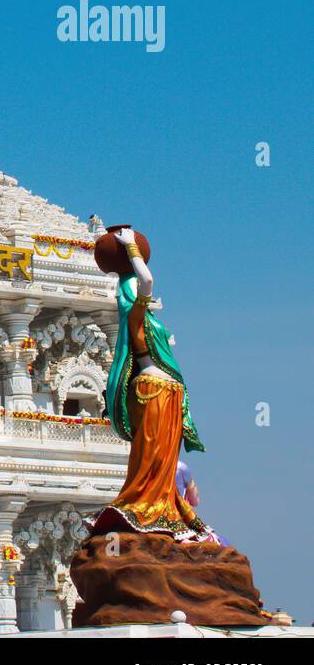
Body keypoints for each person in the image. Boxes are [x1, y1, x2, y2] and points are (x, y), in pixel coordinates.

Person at [90, 227, 217, 542]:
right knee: (152, 458)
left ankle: (167, 513)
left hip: (169, 394)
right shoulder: (135, 319)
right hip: (153, 392)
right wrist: (132, 248)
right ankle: (147, 508)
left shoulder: (148, 322)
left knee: (165, 461)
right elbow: (147, 280)